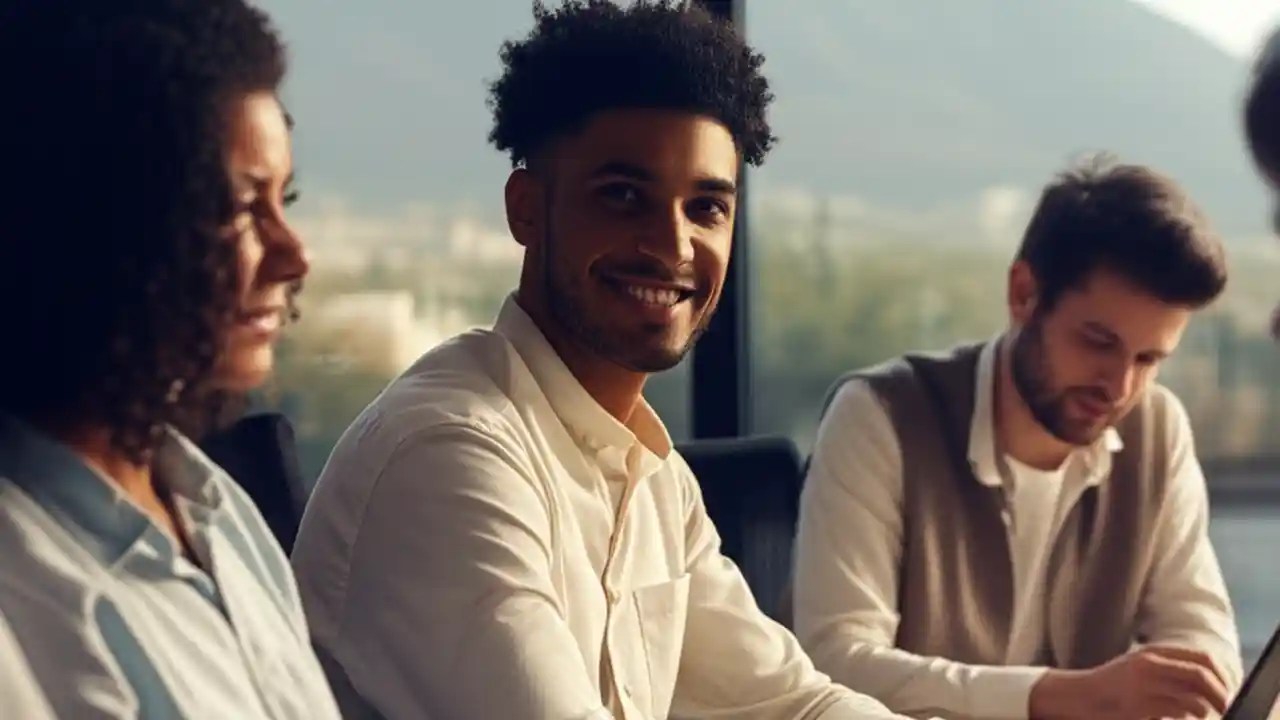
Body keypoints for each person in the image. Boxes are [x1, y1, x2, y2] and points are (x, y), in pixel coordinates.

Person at [290, 2, 909, 718]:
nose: (673, 245)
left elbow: (791, 704)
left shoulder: (652, 479)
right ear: (527, 208)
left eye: (705, 208)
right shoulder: (451, 453)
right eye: (623, 197)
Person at [793, 158, 1244, 720]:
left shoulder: (1157, 429)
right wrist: (1065, 697)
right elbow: (835, 664)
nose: (1120, 386)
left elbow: (1200, 640)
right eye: (1098, 342)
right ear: (1024, 292)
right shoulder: (880, 417)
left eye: (1150, 359)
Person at [0, 1, 340, 717]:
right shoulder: (25, 593)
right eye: (238, 207)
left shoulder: (216, 506)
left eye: (286, 199)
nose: (293, 252)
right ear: (102, 221)